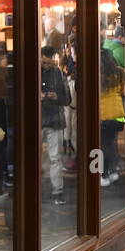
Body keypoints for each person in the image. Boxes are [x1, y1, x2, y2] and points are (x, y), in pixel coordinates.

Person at [41, 45, 71, 205]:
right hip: (40, 120)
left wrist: (55, 96)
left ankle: (57, 191)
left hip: (53, 120)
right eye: (44, 63)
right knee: (36, 158)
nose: (46, 65)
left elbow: (67, 99)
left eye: (49, 63)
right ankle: (38, 190)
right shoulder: (33, 72)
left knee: (55, 158)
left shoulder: (58, 73)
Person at [99, 46, 125, 187]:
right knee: (111, 143)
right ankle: (112, 171)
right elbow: (123, 92)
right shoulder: (120, 73)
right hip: (118, 115)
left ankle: (102, 174)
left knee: (102, 145)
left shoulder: (98, 76)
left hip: (103, 115)